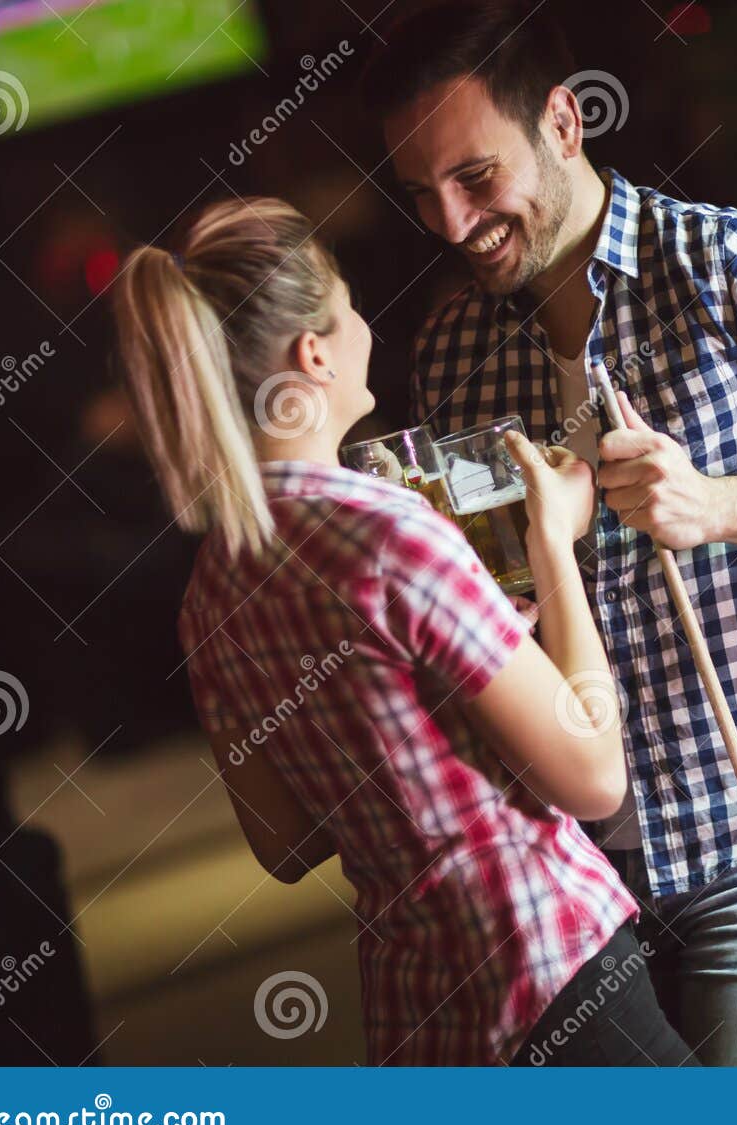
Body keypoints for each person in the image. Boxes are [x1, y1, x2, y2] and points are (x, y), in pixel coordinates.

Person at [361, 3, 737, 1065]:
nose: (451, 224)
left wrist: (719, 503)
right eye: (423, 196)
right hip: (582, 866)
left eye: (476, 179)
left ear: (562, 120)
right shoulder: (453, 347)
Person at [110, 196, 696, 1066]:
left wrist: (419, 710)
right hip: (553, 969)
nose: (365, 333)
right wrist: (551, 542)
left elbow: (288, 843)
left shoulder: (210, 589)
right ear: (313, 352)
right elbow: (592, 774)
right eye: (349, 315)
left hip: (424, 1020)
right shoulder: (393, 532)